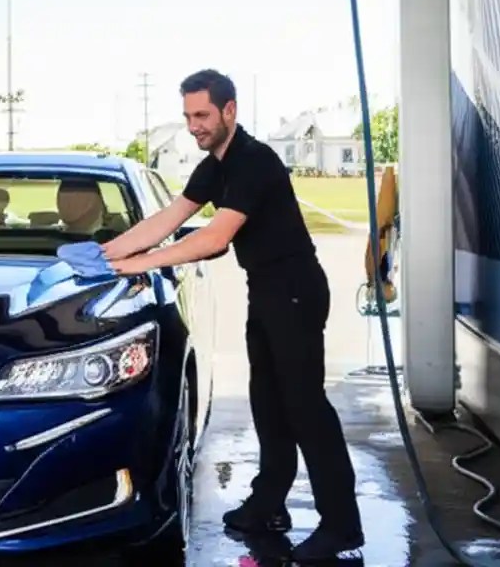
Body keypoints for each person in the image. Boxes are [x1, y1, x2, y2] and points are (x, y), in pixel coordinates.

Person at [99, 69, 364, 562]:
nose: (194, 126)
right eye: (187, 117)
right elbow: (168, 219)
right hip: (265, 292)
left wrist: (138, 262)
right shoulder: (214, 165)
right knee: (267, 404)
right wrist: (106, 253)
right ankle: (269, 504)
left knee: (306, 410)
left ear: (229, 111)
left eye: (202, 115)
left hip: (296, 293)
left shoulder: (253, 161)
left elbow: (213, 239)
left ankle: (342, 525)